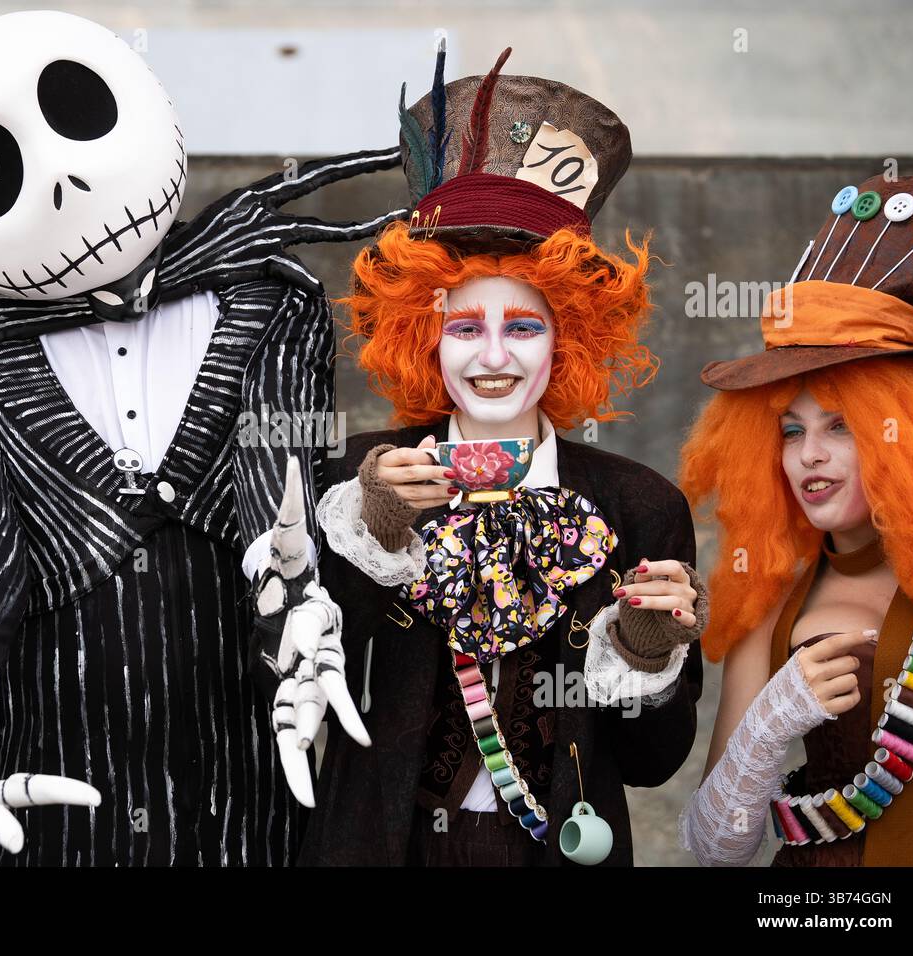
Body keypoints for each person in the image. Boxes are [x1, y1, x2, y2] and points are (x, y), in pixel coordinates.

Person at [0, 10, 396, 866]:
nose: (60, 180)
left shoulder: (274, 295)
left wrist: (298, 597)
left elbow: (276, 476)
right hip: (55, 731)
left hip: (235, 714)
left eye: (77, 114)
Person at [297, 45, 706, 867]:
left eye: (523, 327)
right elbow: (291, 660)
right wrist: (376, 530)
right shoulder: (354, 476)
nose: (493, 357)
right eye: (464, 327)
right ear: (424, 338)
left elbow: (654, 762)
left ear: (568, 342)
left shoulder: (640, 506)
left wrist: (644, 645)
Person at [679, 175, 913, 867]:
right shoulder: (770, 598)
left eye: (839, 425)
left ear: (905, 433)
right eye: (790, 431)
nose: (809, 457)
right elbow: (715, 849)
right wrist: (770, 724)